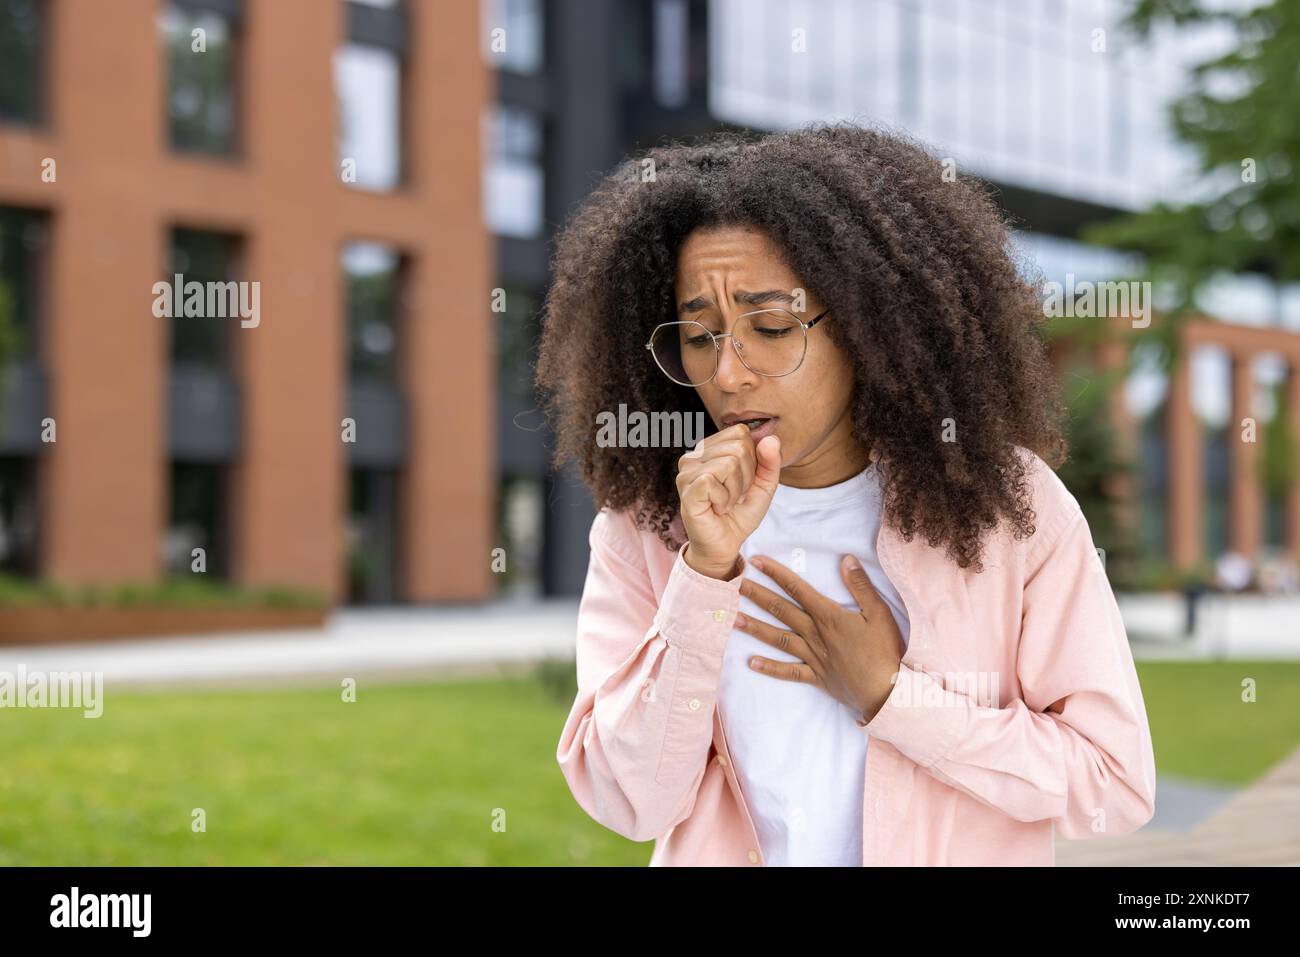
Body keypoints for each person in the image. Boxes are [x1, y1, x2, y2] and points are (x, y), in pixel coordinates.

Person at [537, 122, 1157, 866]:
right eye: (700, 337)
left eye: (770, 326)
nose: (729, 374)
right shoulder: (648, 527)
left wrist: (893, 697)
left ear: (868, 324)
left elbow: (1113, 781)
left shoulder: (1004, 506)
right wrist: (702, 576)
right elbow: (630, 799)